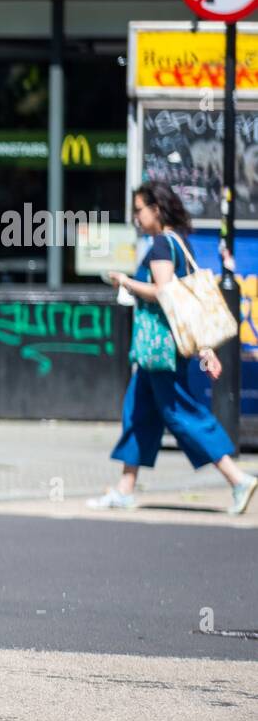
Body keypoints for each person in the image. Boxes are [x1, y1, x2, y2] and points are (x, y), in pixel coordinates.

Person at [89, 181, 257, 515]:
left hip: (160, 350)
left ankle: (238, 478)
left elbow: (163, 292)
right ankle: (125, 489)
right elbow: (181, 299)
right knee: (137, 414)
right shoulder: (180, 244)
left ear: (157, 209)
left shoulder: (162, 245)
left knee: (182, 415)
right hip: (157, 352)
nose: (136, 217)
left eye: (139, 209)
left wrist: (125, 282)